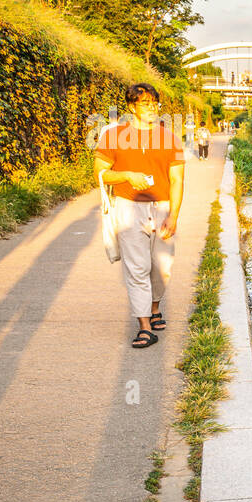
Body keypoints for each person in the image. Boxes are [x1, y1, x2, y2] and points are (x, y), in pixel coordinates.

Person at [93, 83, 186, 349]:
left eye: (155, 103)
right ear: (132, 107)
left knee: (162, 268)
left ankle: (155, 307)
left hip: (163, 207)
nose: (152, 108)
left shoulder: (170, 138)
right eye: (145, 103)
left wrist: (174, 215)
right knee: (137, 267)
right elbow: (100, 173)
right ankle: (144, 326)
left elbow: (177, 180)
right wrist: (126, 175)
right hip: (128, 207)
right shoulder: (113, 136)